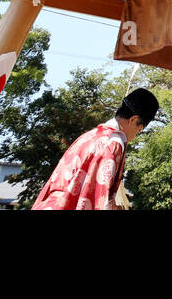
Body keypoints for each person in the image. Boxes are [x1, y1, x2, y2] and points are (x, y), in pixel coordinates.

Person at [30, 88, 159, 210]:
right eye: (139, 129)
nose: (135, 135)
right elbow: (98, 200)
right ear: (133, 120)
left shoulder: (88, 136)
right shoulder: (113, 143)